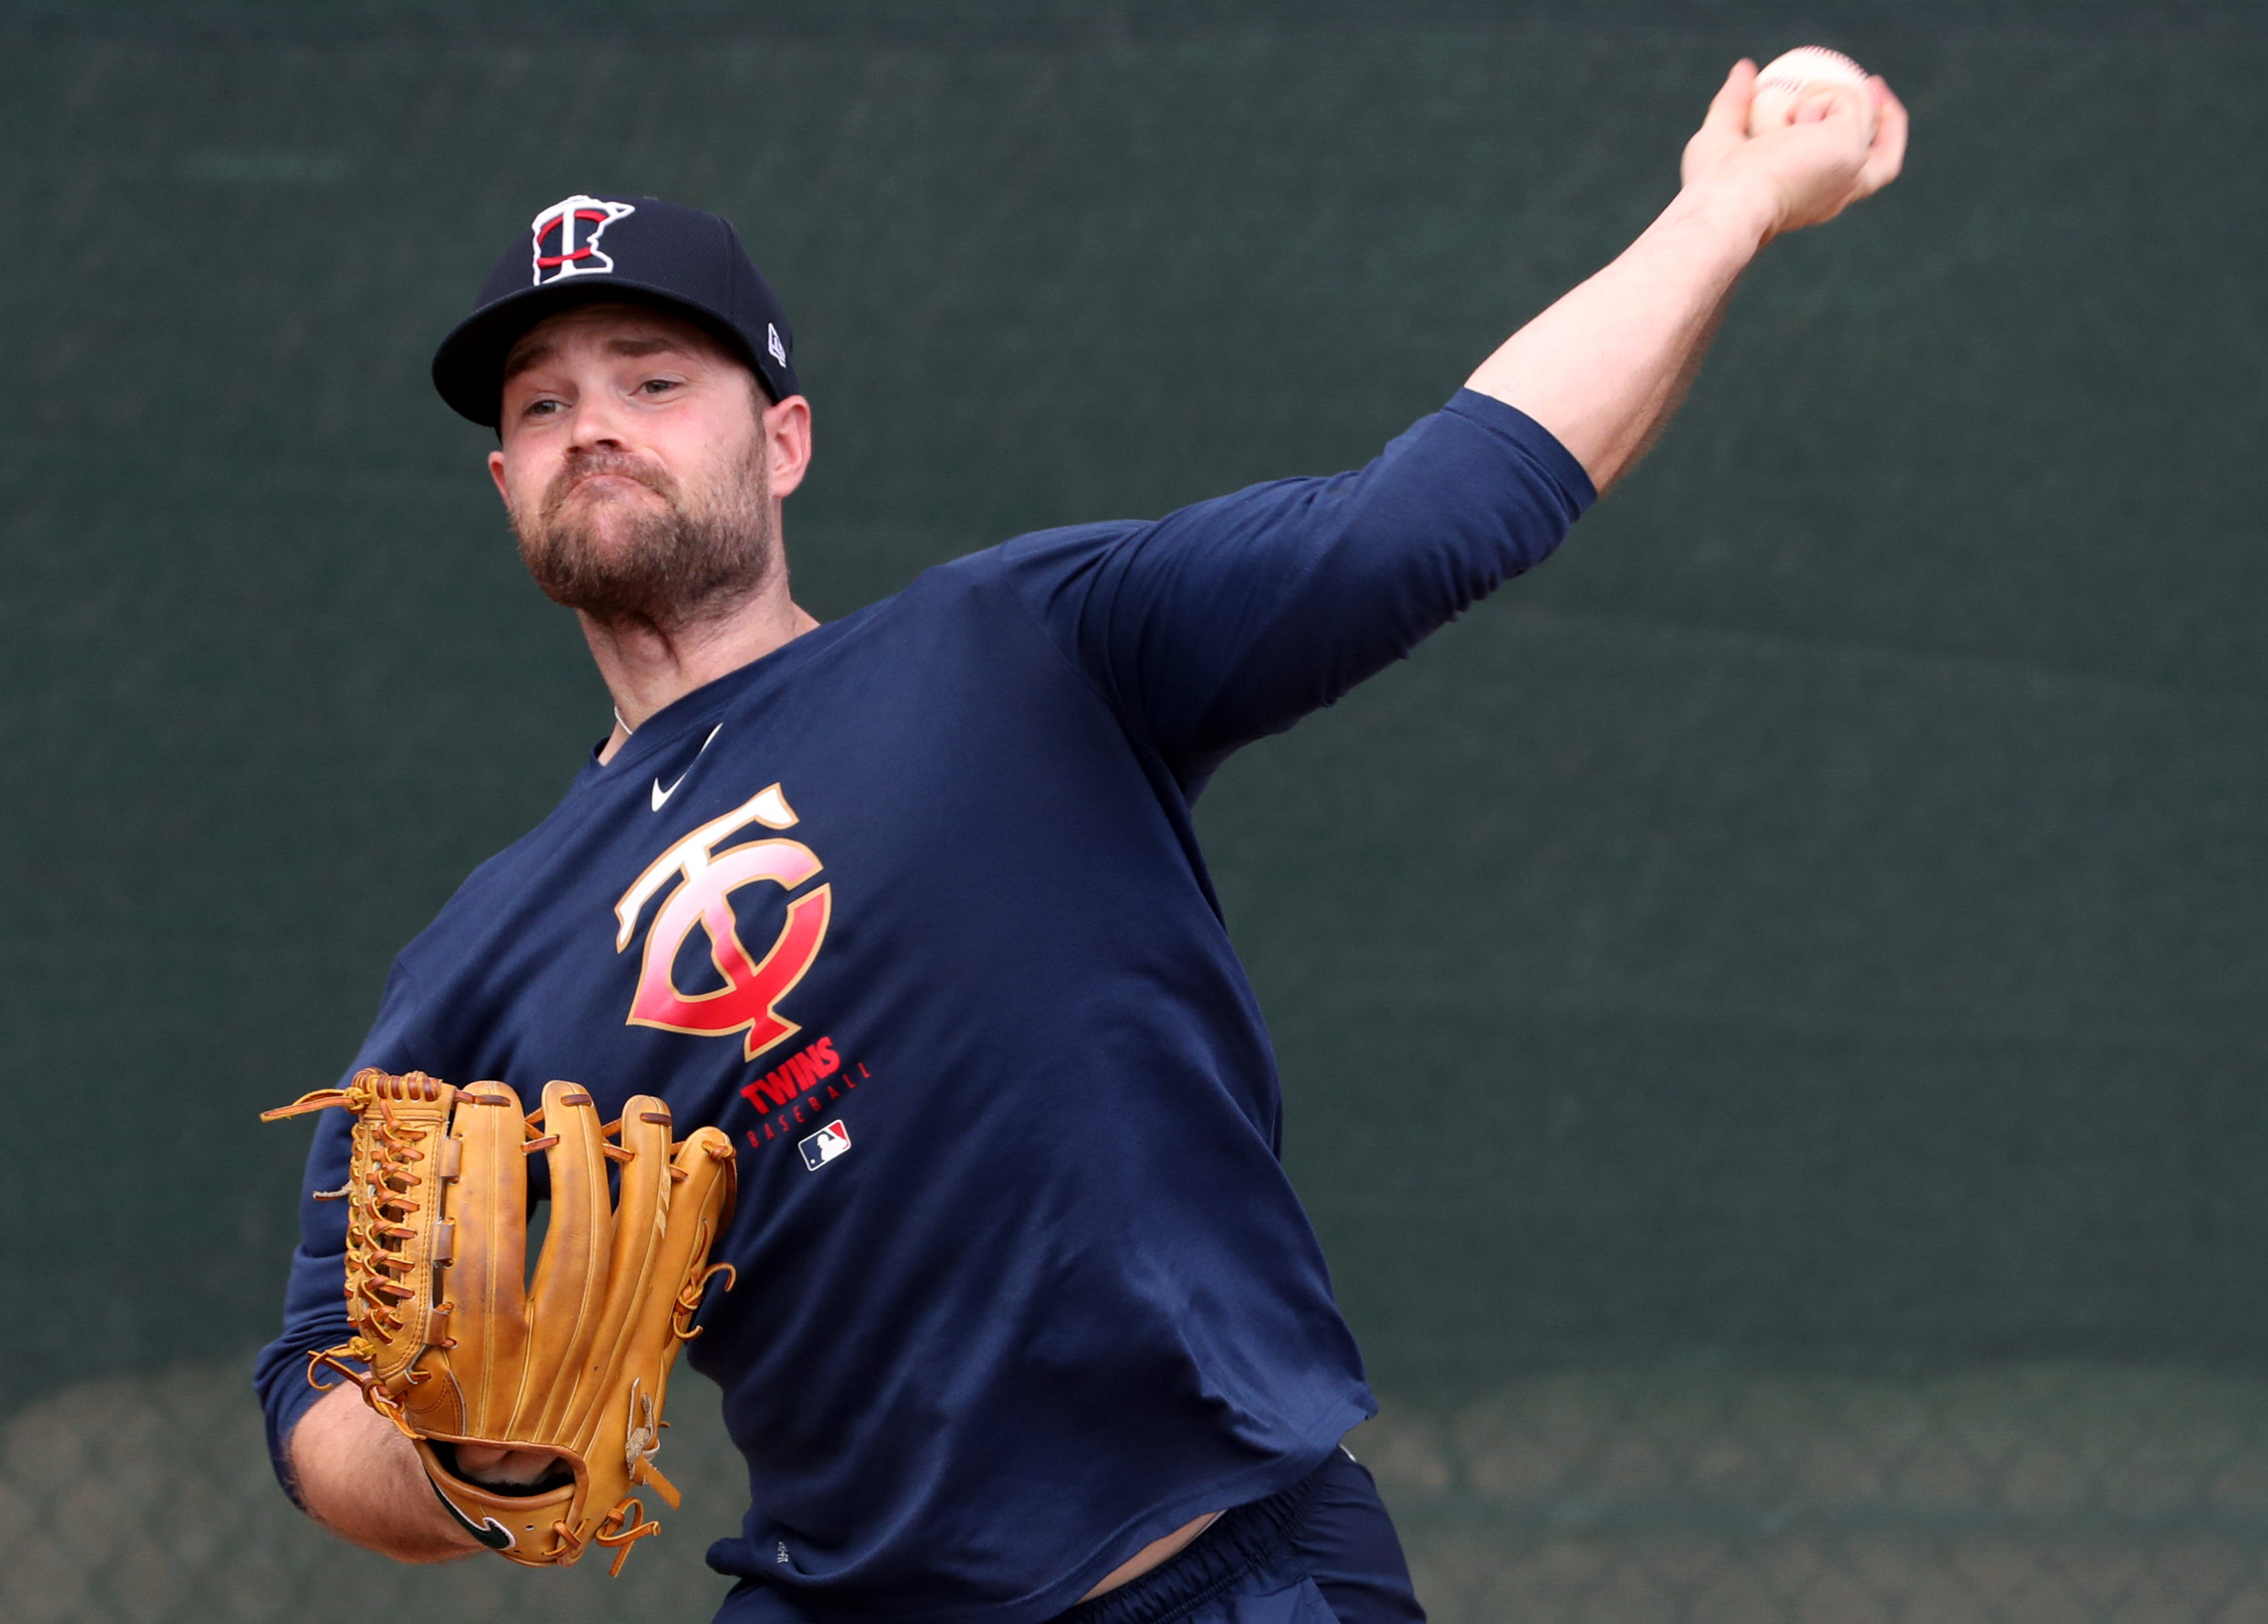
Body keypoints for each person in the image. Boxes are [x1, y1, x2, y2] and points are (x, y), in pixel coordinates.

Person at [256, 60, 1904, 1624]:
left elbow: (1428, 515)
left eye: (654, 379)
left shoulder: (1018, 645)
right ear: (506, 483)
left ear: (784, 439)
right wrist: (458, 1463)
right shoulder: (489, 955)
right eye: (544, 403)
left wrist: (1728, 207)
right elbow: (313, 1380)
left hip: (1232, 1562)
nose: (594, 423)